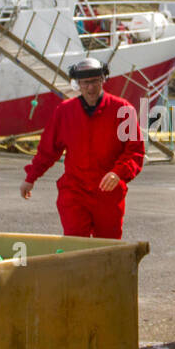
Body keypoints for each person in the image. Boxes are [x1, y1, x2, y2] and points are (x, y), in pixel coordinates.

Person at [20, 58, 145, 238]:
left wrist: (118, 173)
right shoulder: (64, 112)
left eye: (95, 81)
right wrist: (30, 178)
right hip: (74, 192)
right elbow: (47, 150)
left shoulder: (123, 110)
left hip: (108, 193)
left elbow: (135, 151)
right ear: (77, 84)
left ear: (103, 80)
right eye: (85, 83)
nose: (90, 87)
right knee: (75, 246)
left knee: (107, 249)